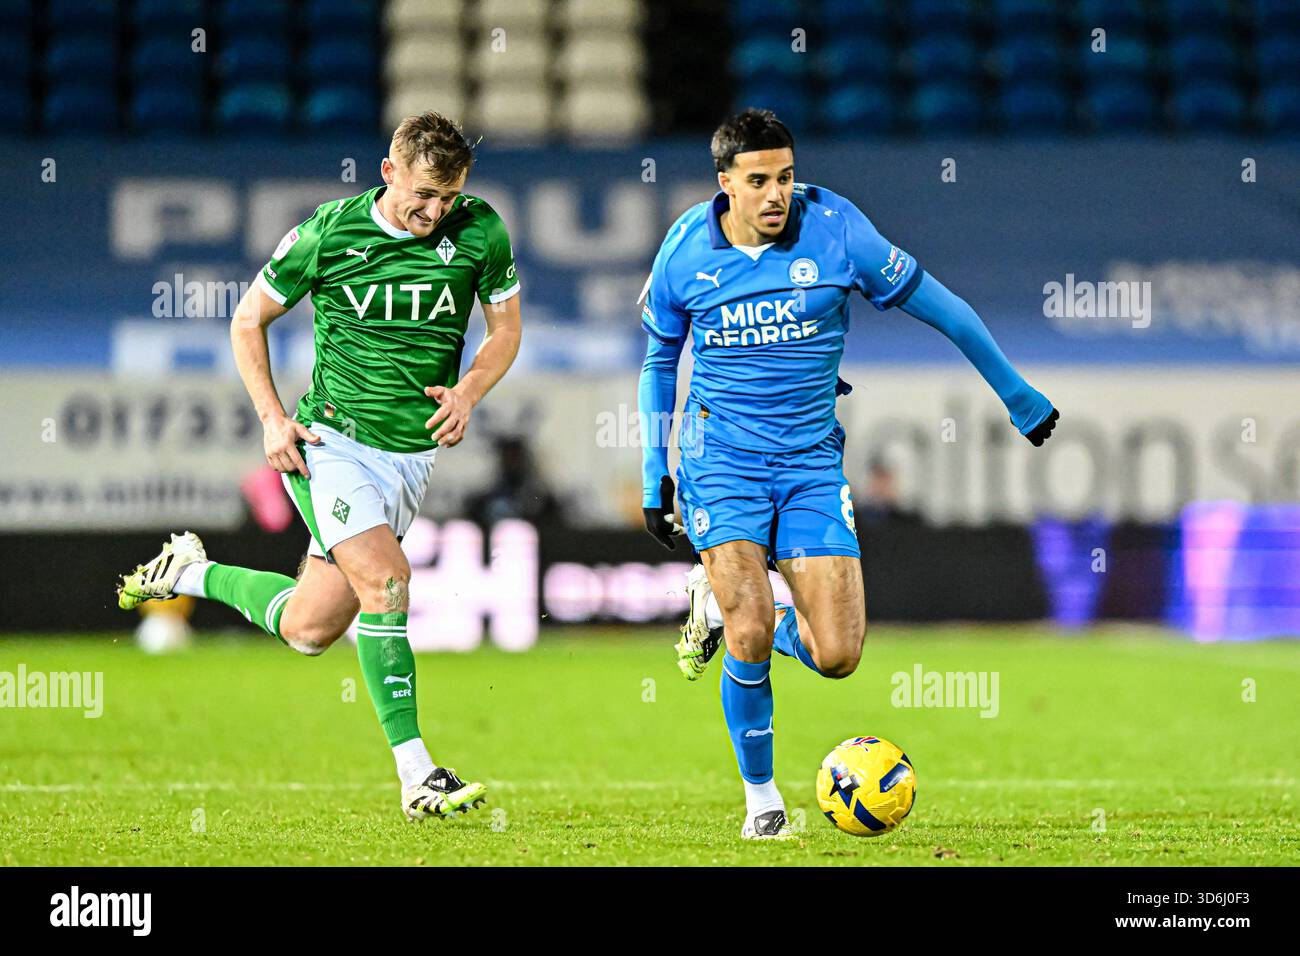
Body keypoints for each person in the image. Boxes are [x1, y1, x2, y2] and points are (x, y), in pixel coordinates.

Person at [637, 108, 1058, 839]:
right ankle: (762, 801)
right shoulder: (683, 253)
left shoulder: (838, 230)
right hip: (720, 460)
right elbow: (657, 361)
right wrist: (653, 474)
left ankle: (725, 611)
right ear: (725, 184)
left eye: (787, 177)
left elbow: (946, 309)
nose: (777, 194)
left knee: (836, 655)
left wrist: (1019, 396)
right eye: (760, 181)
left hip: (808, 463)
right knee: (750, 631)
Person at [116, 111, 522, 821]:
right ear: (389, 172)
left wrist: (469, 391)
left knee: (308, 631)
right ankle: (418, 774)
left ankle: (186, 572)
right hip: (330, 441)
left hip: (409, 459)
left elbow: (506, 330)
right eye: (422, 195)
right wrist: (274, 419)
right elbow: (248, 320)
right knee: (389, 579)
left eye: (448, 197)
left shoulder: (481, 230)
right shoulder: (330, 232)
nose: (434, 213)